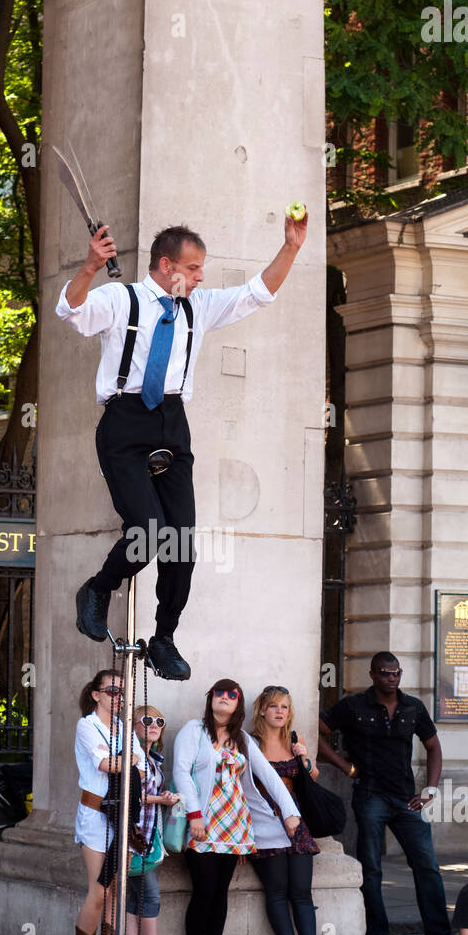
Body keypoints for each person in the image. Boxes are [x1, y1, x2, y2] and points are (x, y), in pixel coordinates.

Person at [57, 212, 308, 680]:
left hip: (173, 422)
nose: (200, 278)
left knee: (182, 542)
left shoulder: (199, 306)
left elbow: (258, 292)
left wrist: (291, 247)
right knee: (149, 530)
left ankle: (163, 638)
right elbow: (70, 310)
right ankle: (96, 590)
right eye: (193, 269)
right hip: (125, 421)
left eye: (201, 270)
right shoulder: (122, 298)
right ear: (167, 265)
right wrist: (90, 266)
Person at [318, 652, 458, 935]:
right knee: (371, 868)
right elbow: (316, 729)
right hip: (370, 796)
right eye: (385, 673)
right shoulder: (353, 706)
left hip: (407, 798)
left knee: (428, 866)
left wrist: (430, 790)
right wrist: (345, 766)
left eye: (396, 673)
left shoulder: (413, 707)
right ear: (372, 675)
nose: (392, 678)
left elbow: (433, 746)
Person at [173, 678, 301, 935]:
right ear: (210, 698)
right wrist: (194, 815)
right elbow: (181, 771)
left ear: (238, 704)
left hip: (234, 824)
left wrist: (289, 812)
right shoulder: (194, 731)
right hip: (202, 823)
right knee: (203, 890)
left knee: (220, 892)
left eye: (232, 694)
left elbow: (268, 775)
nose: (224, 697)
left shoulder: (241, 738)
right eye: (219, 691)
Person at [249, 685, 330, 935]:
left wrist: (304, 756)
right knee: (277, 891)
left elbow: (312, 776)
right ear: (261, 710)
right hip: (265, 821)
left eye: (284, 707)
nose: (280, 712)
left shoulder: (295, 739)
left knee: (302, 892)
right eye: (273, 706)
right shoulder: (251, 743)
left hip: (296, 821)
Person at [73, 668, 144, 935]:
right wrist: (126, 759)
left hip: (122, 817)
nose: (119, 699)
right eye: (112, 692)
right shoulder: (86, 726)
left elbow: (139, 763)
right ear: (96, 694)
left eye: (123, 694)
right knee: (99, 890)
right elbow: (107, 764)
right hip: (94, 814)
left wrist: (125, 759)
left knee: (117, 891)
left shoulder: (124, 730)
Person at [124, 704, 179, 935]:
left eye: (160, 720)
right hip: (133, 837)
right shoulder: (132, 757)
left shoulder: (154, 759)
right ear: (133, 726)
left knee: (138, 897)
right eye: (147, 720)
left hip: (147, 837)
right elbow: (129, 795)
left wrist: (164, 794)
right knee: (151, 895)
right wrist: (162, 799)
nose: (155, 724)